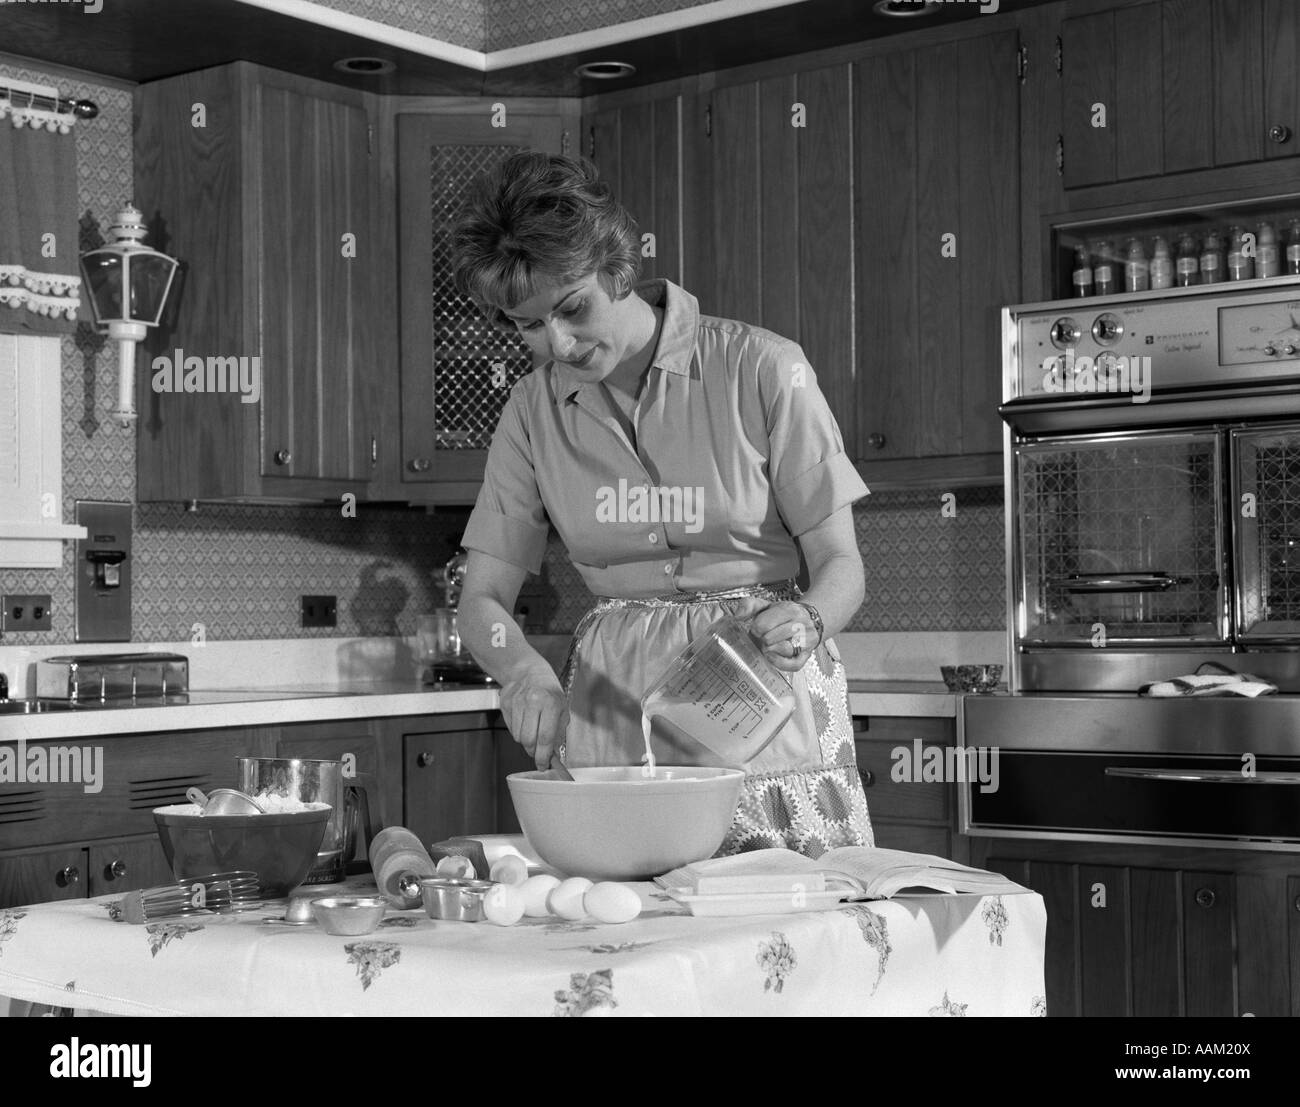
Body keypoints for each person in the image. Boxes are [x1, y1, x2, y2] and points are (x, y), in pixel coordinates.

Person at [453, 151, 873, 856]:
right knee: (622, 937)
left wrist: (807, 617)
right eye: (526, 325)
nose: (555, 343)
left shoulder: (766, 369)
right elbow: (481, 600)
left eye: (571, 308)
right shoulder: (529, 415)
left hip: (762, 698)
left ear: (618, 267)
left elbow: (842, 565)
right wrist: (522, 669)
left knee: (780, 930)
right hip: (609, 712)